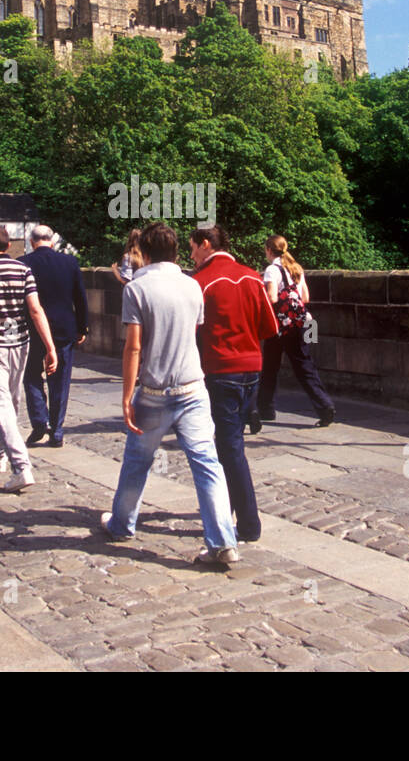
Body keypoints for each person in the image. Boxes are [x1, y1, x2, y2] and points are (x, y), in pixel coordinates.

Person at [99, 222, 240, 564]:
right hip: (193, 386)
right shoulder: (193, 286)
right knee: (207, 463)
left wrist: (126, 396)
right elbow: (192, 333)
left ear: (144, 253)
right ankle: (223, 542)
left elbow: (134, 347)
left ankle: (122, 524)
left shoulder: (137, 288)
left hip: (154, 390)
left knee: (137, 460)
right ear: (176, 251)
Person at [190, 226, 279, 543]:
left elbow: (191, 333)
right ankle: (225, 510)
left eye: (193, 249)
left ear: (205, 245)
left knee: (229, 448)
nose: (191, 256)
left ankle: (249, 523)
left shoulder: (200, 282)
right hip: (252, 368)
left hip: (220, 370)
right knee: (230, 444)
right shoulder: (252, 276)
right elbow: (269, 327)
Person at [0, 225, 58, 492]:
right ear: (10, 246)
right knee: (8, 402)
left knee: (5, 404)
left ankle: (21, 466)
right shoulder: (22, 270)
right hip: (20, 342)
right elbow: (35, 310)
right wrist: (50, 346)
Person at [19, 224, 88, 448]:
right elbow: (80, 297)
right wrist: (82, 327)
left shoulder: (22, 263)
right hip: (63, 328)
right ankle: (56, 430)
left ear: (32, 241)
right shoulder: (69, 262)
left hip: (33, 328)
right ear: (53, 240)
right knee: (60, 381)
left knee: (31, 376)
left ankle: (40, 421)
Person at [257, 234, 336, 428]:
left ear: (269, 250)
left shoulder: (271, 270)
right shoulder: (296, 268)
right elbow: (305, 298)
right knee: (304, 366)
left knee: (269, 368)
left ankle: (266, 409)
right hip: (299, 324)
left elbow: (272, 298)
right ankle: (325, 406)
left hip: (279, 326)